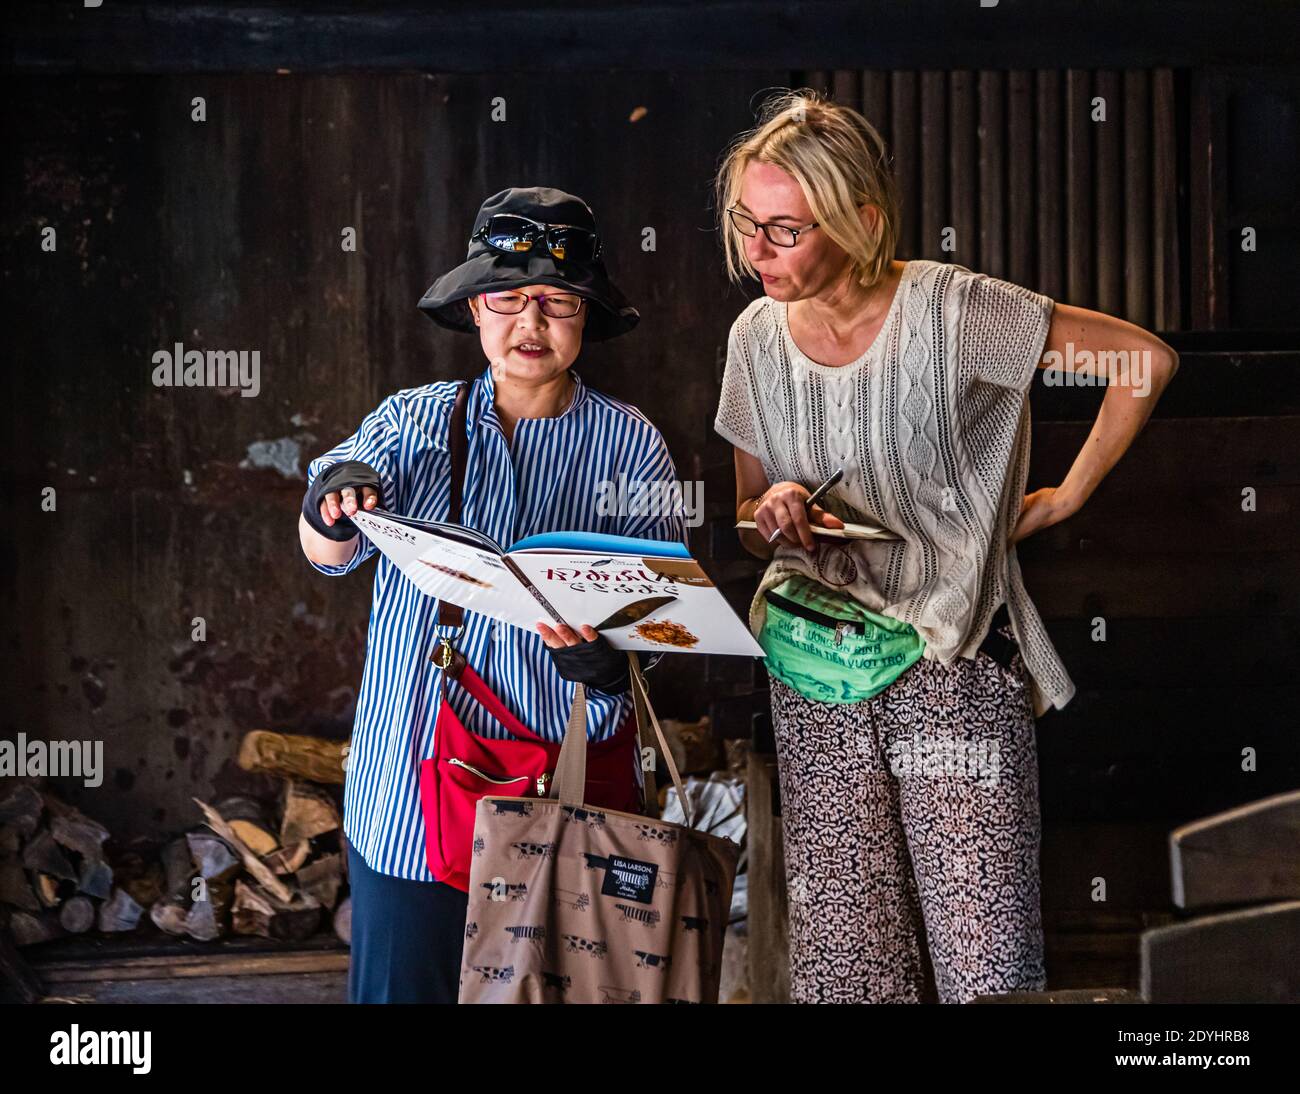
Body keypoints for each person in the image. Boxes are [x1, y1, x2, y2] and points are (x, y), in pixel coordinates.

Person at [711, 90, 1179, 1003]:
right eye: (744, 223)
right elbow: (740, 511)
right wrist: (771, 507)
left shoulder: (954, 312)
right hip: (817, 671)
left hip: (952, 661)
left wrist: (1063, 497)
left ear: (860, 220)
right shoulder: (753, 341)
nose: (756, 251)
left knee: (986, 966)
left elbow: (1143, 363)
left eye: (784, 228)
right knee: (849, 973)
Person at [298, 186, 687, 1003]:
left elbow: (661, 622)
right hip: (409, 798)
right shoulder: (410, 422)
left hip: (563, 800)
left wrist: (612, 664)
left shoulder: (631, 444)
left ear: (587, 316)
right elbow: (326, 552)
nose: (530, 324)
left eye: (556, 301)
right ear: (476, 309)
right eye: (508, 299)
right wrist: (329, 495)